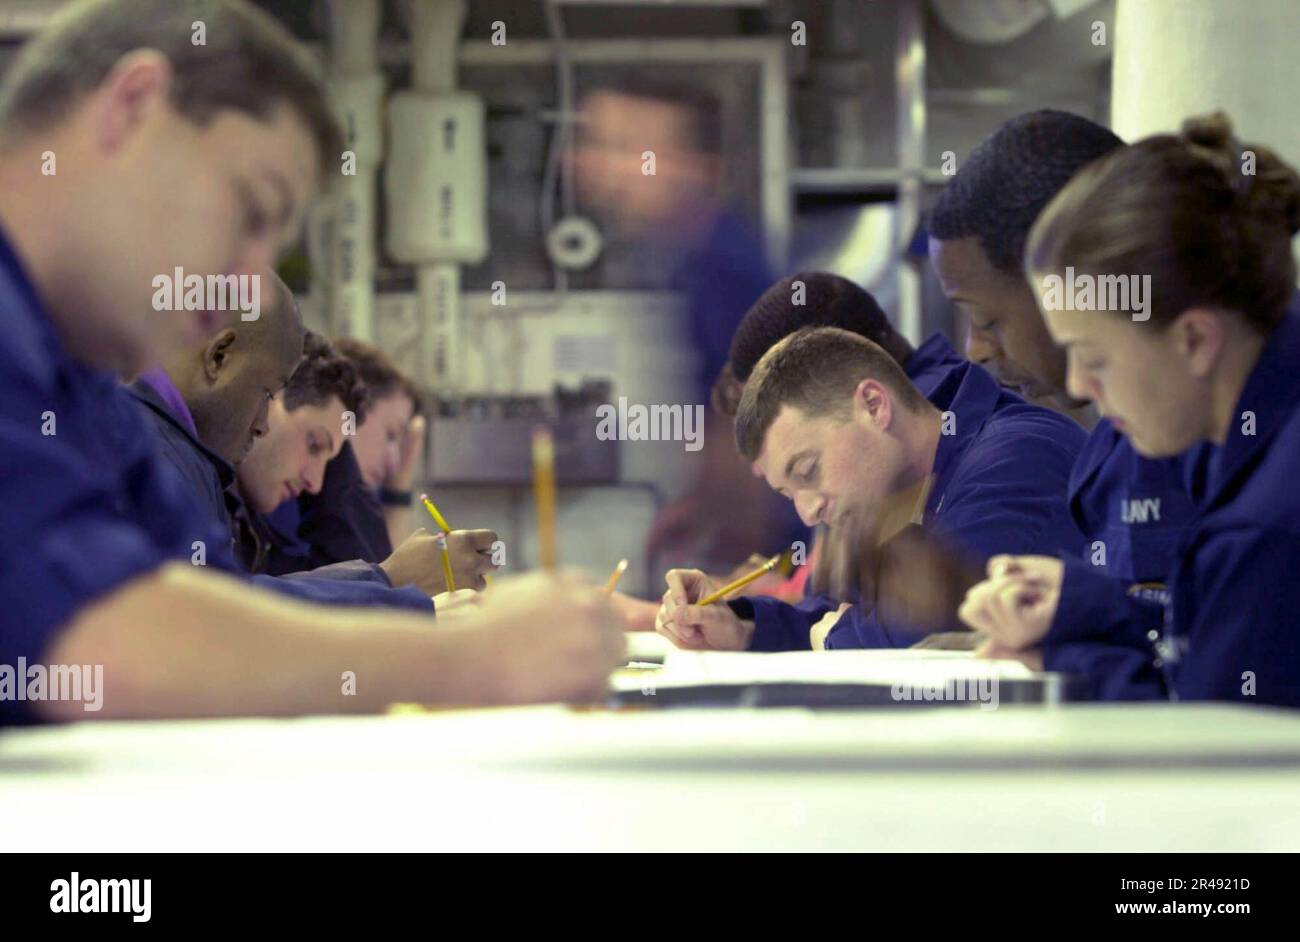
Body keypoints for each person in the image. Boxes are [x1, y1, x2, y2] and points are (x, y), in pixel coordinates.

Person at [0, 0, 623, 725]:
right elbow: (92, 645)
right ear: (133, 110)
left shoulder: (85, 395)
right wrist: (470, 657)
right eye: (250, 210)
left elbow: (211, 606)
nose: (246, 282)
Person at [960, 112, 1300, 708]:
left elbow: (1210, 758)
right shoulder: (1244, 449)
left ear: (1194, 340)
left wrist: (1066, 660)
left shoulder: (1264, 530)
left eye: (1094, 356)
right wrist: (1092, 603)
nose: (1079, 384)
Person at [656, 327, 1086, 651]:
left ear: (874, 406)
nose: (808, 512)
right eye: (789, 494)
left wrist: (839, 634)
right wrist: (739, 625)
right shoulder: (896, 490)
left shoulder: (1014, 457)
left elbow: (954, 611)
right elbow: (833, 609)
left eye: (808, 469)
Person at [929, 110, 1198, 611]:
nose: (976, 349)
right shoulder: (1118, 443)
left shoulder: (1207, 439)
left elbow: (1200, 674)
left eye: (987, 320)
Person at [130, 278, 484, 603]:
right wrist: (385, 581)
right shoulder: (153, 457)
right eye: (268, 394)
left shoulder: (186, 460)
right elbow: (216, 617)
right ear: (219, 356)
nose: (262, 425)